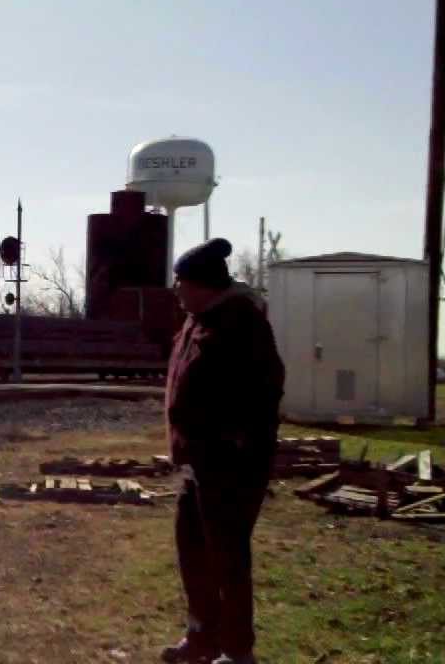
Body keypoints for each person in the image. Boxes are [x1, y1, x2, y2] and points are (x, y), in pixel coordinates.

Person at [160, 238, 285, 664]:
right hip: (198, 463)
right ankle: (202, 638)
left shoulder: (240, 323)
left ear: (206, 285)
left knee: (228, 558)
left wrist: (235, 439)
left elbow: (266, 388)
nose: (176, 290)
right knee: (193, 551)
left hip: (231, 465)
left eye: (183, 283)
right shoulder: (197, 320)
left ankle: (236, 651)